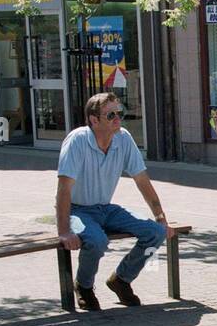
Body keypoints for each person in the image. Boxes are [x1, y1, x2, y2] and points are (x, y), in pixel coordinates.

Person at [55, 92, 172, 310]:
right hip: (78, 210)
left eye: (120, 113)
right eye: (110, 115)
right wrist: (64, 231)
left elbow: (142, 181)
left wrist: (160, 217)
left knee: (156, 231)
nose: (118, 118)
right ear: (94, 120)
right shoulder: (77, 141)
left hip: (106, 208)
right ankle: (84, 286)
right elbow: (63, 189)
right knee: (97, 240)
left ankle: (121, 279)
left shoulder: (123, 138)